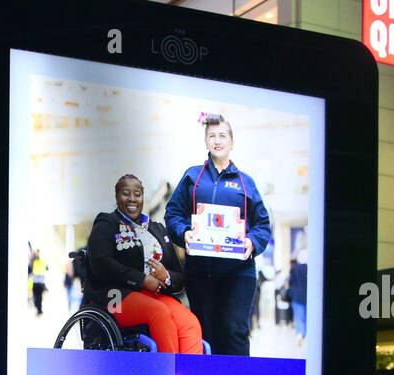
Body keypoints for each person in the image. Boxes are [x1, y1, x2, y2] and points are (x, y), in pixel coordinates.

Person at [165, 113, 272, 357]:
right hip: (201, 272)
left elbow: (263, 224)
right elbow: (172, 213)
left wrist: (252, 242)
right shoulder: (193, 177)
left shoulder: (246, 183)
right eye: (212, 136)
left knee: (233, 330)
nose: (217, 140)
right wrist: (185, 233)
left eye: (222, 135)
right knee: (205, 331)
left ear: (231, 142)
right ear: (206, 142)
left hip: (238, 274)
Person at [85, 173, 203, 354]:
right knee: (159, 314)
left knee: (190, 323)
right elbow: (101, 263)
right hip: (115, 295)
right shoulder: (107, 223)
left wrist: (167, 277)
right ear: (117, 196)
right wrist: (142, 280)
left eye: (137, 194)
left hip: (156, 295)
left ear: (142, 196)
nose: (132, 198)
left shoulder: (157, 229)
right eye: (126, 193)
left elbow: (179, 276)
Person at [31, 249, 48, 315]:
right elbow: (47, 269)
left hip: (37, 282)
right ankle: (39, 309)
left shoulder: (34, 261)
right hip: (39, 282)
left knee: (37, 297)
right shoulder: (42, 261)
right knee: (38, 297)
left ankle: (39, 309)